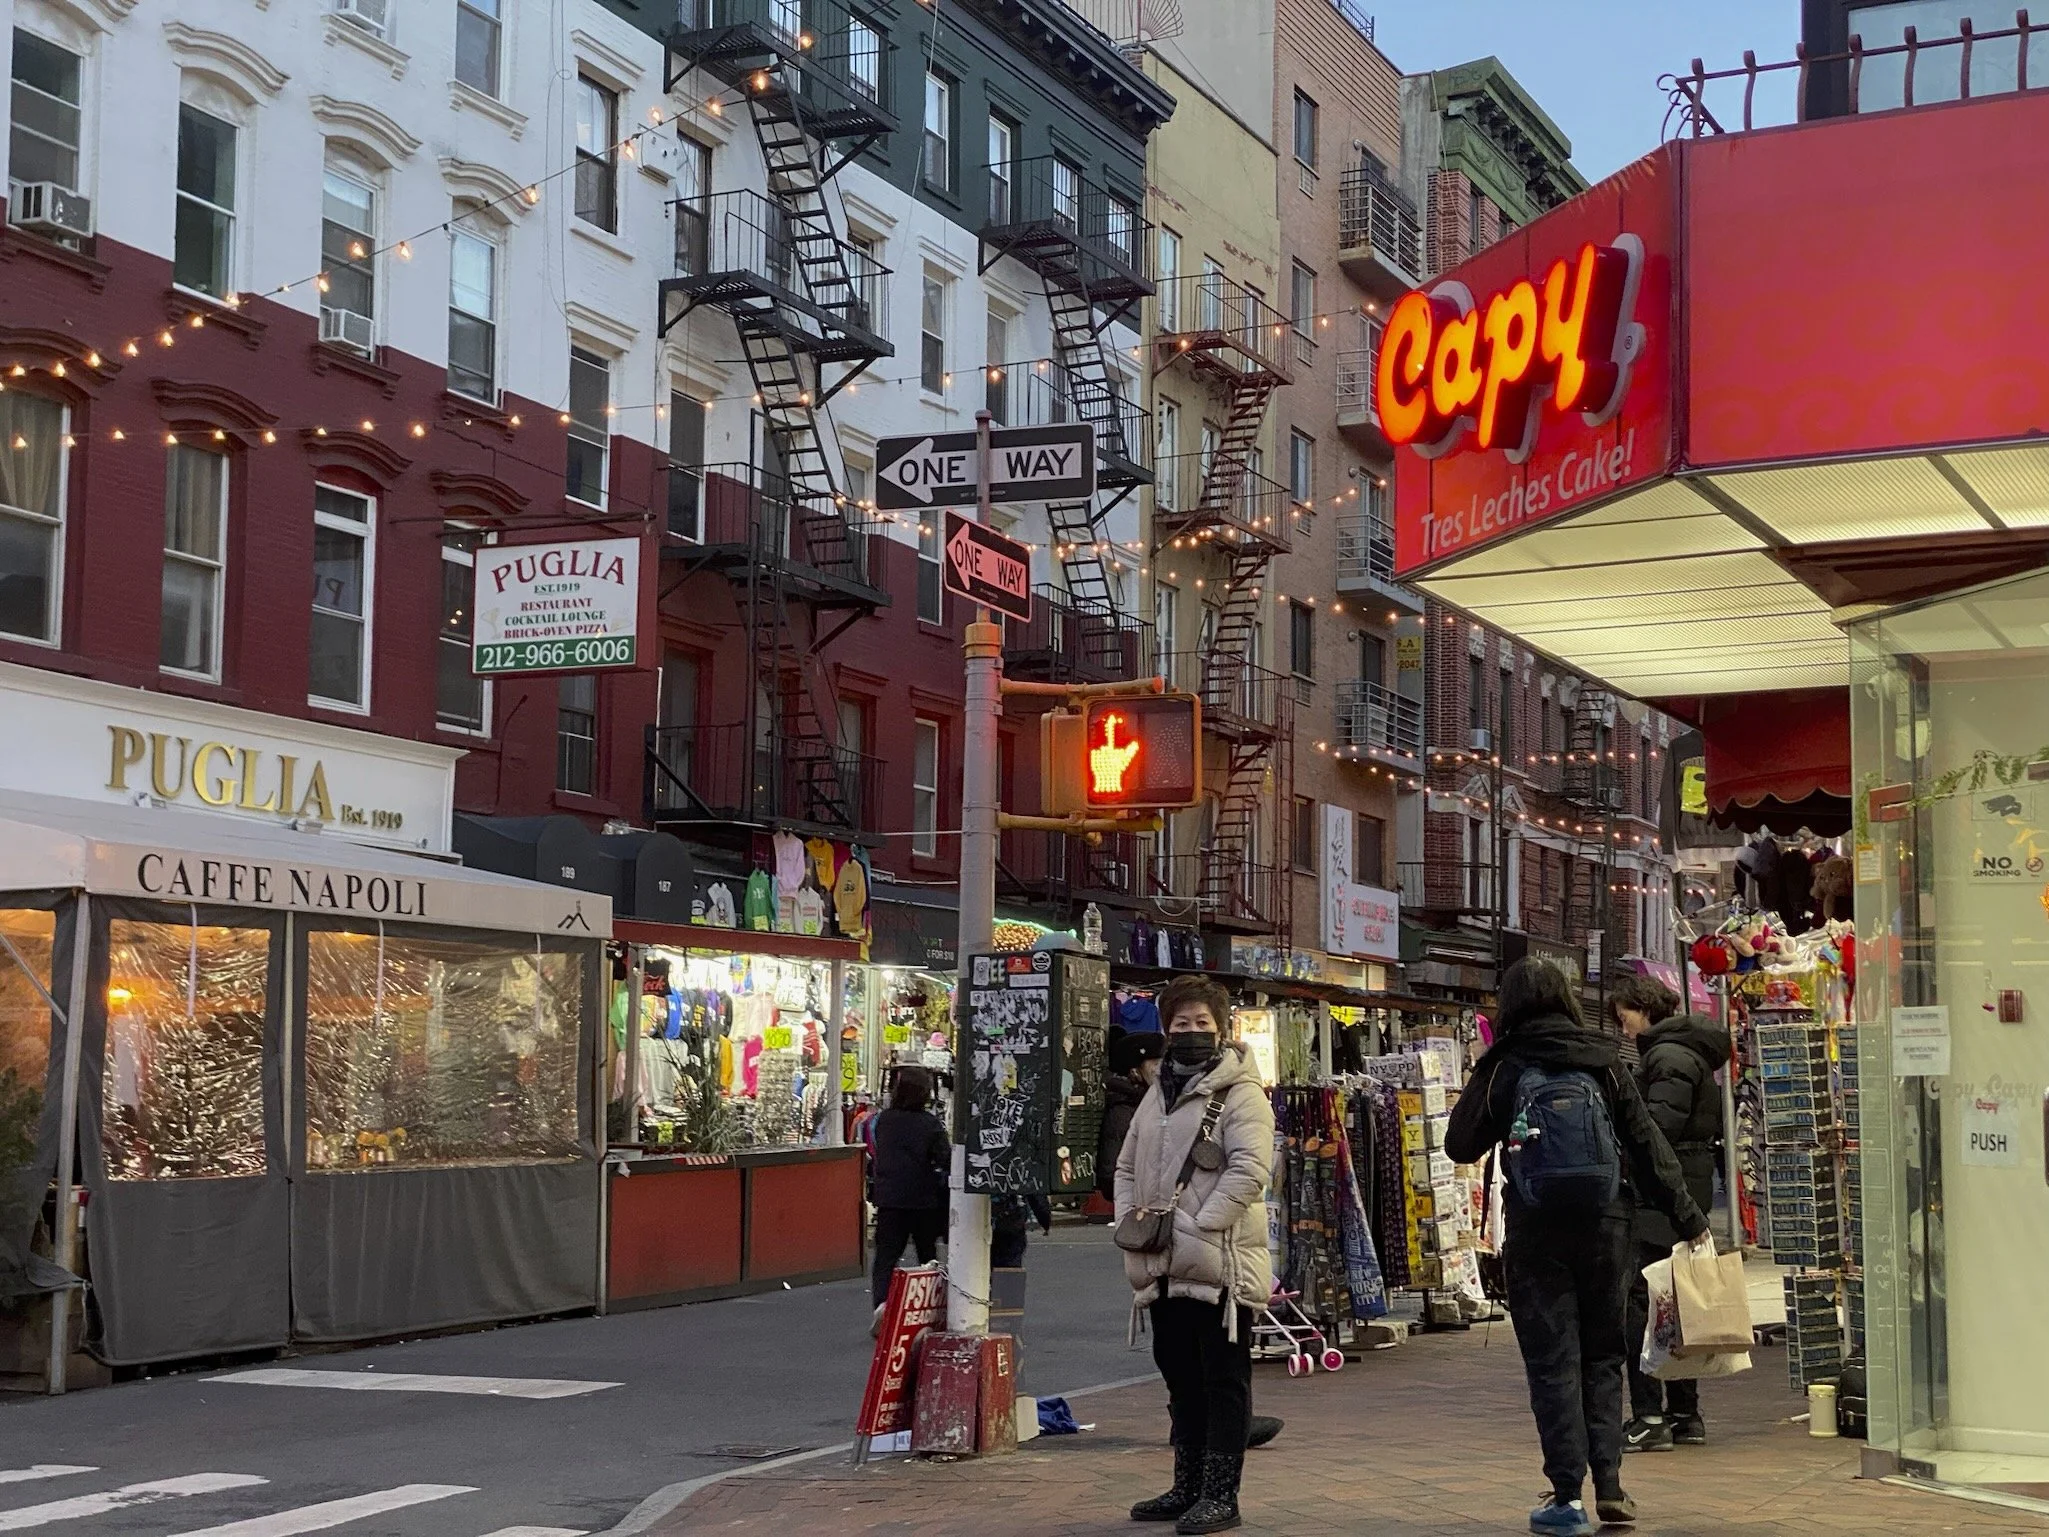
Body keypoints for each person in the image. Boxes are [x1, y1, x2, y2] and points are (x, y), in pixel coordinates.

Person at [1444, 958, 1711, 1537]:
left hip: (1536, 1229)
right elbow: (1647, 1144)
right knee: (1603, 1356)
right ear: (1566, 998)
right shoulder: (1602, 1059)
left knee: (1552, 1362)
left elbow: (1459, 1145)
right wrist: (1689, 1218)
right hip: (1606, 1225)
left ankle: (1566, 1498)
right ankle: (1610, 1486)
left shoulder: (1506, 1063)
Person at [1116, 975, 1274, 1535]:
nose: (1191, 1031)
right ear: (1166, 1029)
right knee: (1179, 1376)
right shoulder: (1155, 1096)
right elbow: (1127, 1165)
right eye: (1181, 1023)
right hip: (1160, 1262)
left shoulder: (1241, 1093)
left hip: (1219, 1265)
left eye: (1202, 1022)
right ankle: (1186, 1486)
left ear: (1221, 1028)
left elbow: (1251, 1170)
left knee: (1223, 1380)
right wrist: (1132, 1218)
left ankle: (1220, 1495)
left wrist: (1200, 1225)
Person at [1612, 974, 1730, 1453]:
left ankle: (1650, 1415)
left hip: (1662, 1193)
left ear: (1644, 1011)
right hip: (1685, 1185)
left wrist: (1626, 1155)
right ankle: (1685, 1414)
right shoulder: (1685, 1053)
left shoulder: (1668, 1058)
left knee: (1644, 1303)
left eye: (1625, 1018)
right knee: (1678, 1302)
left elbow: (1654, 1132)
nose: (1623, 1029)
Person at [867, 1066, 950, 1327]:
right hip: (923, 1200)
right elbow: (945, 1158)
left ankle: (882, 1306)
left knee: (886, 1257)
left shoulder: (883, 1121)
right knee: (927, 1256)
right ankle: (928, 1311)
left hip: (889, 1199)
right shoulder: (930, 1124)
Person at [1098, 1029, 1165, 1205]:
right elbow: (1111, 1174)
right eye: (1154, 1063)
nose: (1160, 1069)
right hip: (1139, 1205)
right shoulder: (1123, 1109)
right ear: (1134, 1070)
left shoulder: (1152, 1101)